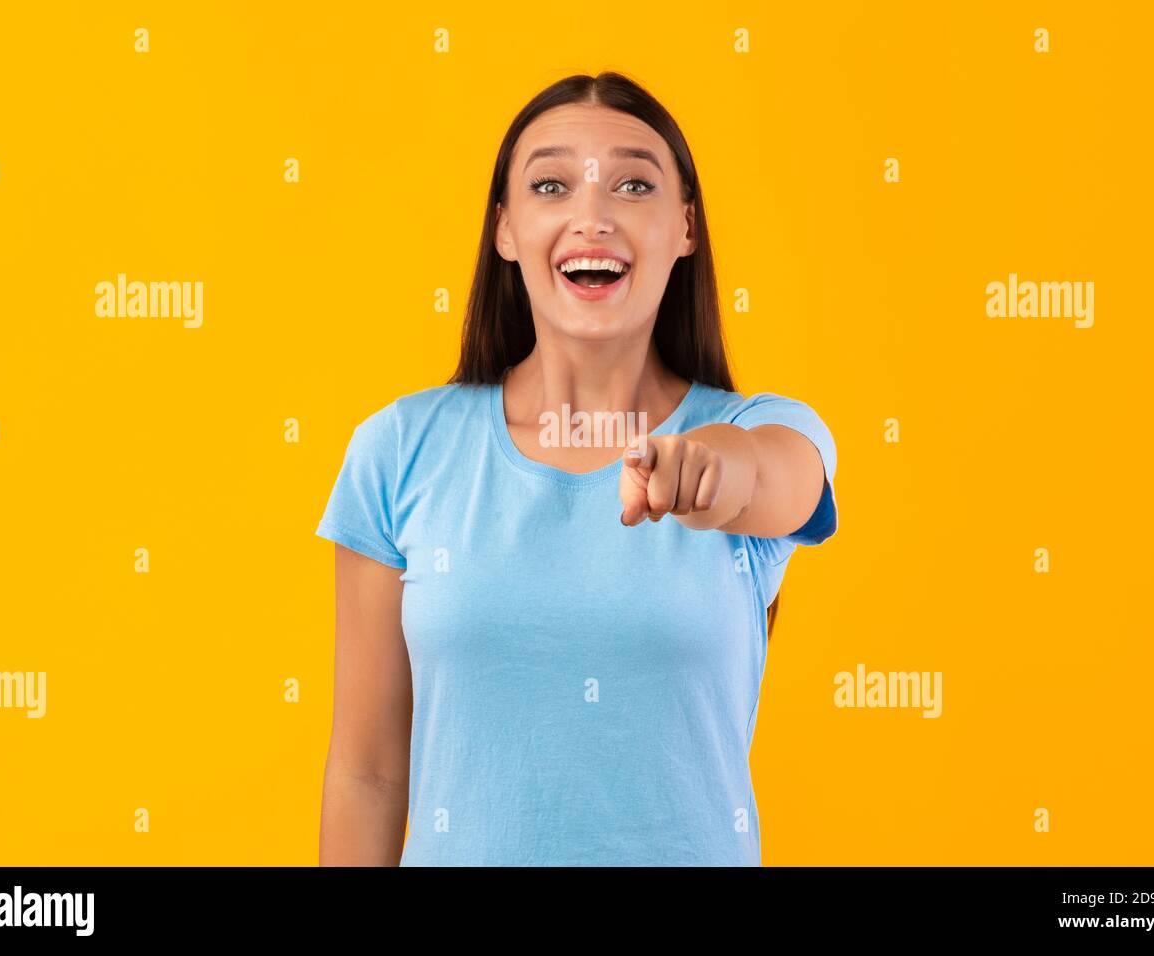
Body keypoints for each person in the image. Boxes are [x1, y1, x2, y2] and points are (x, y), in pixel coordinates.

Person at [315, 71, 839, 866]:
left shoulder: (757, 430)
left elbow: (775, 478)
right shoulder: (398, 449)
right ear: (505, 229)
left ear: (686, 227)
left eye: (633, 184)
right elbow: (368, 774)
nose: (591, 216)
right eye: (552, 185)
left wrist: (710, 473)